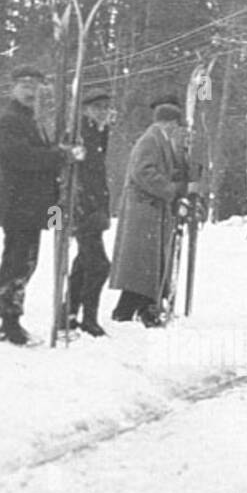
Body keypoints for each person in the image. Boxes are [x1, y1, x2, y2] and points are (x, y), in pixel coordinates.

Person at [0, 65, 81, 346]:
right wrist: (57, 156)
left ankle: (12, 316)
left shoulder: (34, 120)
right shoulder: (10, 120)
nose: (30, 91)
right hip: (19, 204)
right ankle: (9, 320)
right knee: (17, 262)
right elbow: (19, 156)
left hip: (42, 206)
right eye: (25, 85)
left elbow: (43, 154)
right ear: (13, 88)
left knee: (29, 261)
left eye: (35, 86)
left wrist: (63, 151)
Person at [110, 99, 188, 328]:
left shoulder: (157, 139)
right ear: (168, 123)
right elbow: (143, 171)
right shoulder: (151, 140)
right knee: (143, 263)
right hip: (143, 210)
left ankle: (143, 308)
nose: (176, 130)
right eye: (175, 125)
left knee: (147, 264)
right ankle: (129, 310)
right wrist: (169, 189)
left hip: (150, 210)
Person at [66, 90, 113, 337]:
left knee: (84, 263)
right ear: (85, 109)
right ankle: (88, 318)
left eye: (105, 107)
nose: (102, 112)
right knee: (99, 265)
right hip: (83, 208)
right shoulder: (81, 133)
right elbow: (76, 172)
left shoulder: (100, 133)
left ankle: (70, 312)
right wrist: (74, 208)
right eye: (97, 107)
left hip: (94, 207)